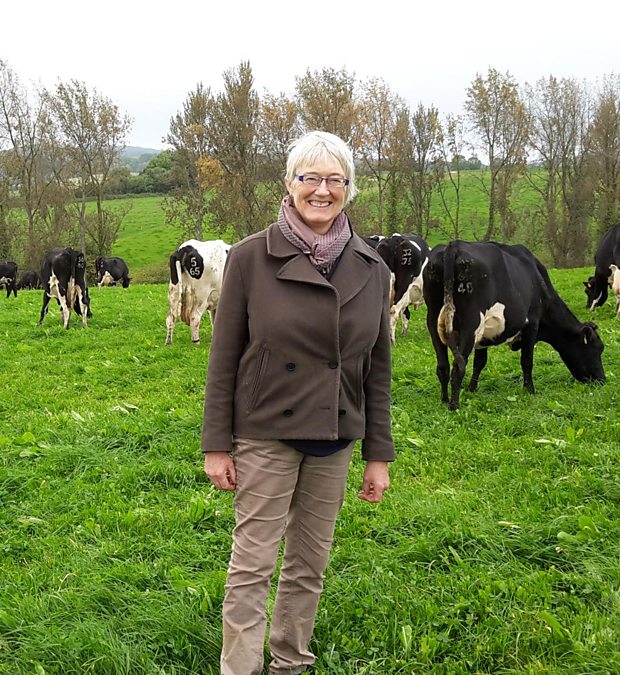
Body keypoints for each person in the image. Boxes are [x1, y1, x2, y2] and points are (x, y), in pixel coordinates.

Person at [201, 130, 394, 675]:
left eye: (335, 180)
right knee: (253, 565)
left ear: (349, 189)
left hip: (335, 435)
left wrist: (378, 454)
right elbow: (223, 358)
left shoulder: (374, 268)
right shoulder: (249, 258)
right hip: (265, 432)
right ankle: (241, 668)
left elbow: (378, 371)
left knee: (309, 564)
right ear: (289, 184)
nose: (322, 190)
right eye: (310, 178)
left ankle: (291, 662)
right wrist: (216, 444)